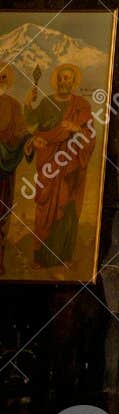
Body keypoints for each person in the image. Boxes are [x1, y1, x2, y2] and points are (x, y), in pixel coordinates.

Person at [23, 63, 96, 268]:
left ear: (74, 82)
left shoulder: (81, 105)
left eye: (68, 78)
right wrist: (28, 104)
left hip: (71, 164)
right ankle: (41, 257)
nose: (64, 82)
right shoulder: (46, 103)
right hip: (49, 162)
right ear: (56, 80)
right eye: (61, 78)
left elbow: (90, 136)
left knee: (67, 208)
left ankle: (63, 256)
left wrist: (76, 129)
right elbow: (32, 124)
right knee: (45, 206)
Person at [0, 65, 26, 276]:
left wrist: (29, 141)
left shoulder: (14, 105)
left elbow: (21, 133)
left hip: (4, 170)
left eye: (3, 76)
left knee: (2, 214)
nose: (0, 80)